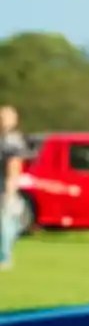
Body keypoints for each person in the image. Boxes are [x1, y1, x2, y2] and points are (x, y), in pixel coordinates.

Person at [0, 105, 29, 271]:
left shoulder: (12, 140)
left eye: (5, 117)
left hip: (6, 187)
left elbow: (14, 166)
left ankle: (4, 257)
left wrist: (10, 192)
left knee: (5, 221)